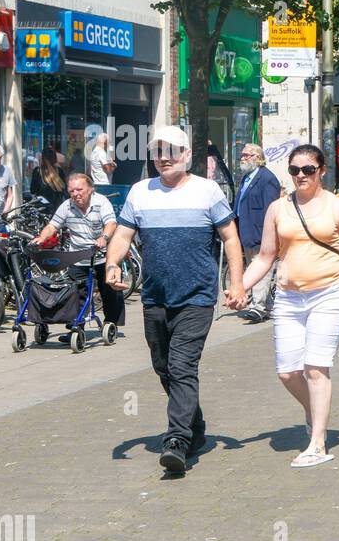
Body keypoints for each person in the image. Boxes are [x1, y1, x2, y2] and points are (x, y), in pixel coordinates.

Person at [105, 125, 247, 475]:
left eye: (172, 151)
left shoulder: (207, 190)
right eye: (158, 152)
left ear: (187, 155)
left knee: (182, 367)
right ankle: (195, 426)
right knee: (164, 367)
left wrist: (237, 283)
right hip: (155, 296)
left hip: (197, 297)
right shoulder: (140, 192)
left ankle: (177, 441)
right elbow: (123, 234)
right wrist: (112, 263)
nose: (164, 157)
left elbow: (230, 238)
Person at [236, 144, 339, 468]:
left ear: (321, 171)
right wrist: (240, 286)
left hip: (329, 293)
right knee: (288, 372)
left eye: (307, 170)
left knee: (315, 367)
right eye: (294, 170)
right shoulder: (278, 209)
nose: (300, 176)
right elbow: (265, 256)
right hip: (289, 297)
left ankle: (317, 442)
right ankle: (312, 410)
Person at [33, 173, 125, 334]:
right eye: (72, 191)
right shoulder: (67, 205)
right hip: (77, 255)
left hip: (102, 254)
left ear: (91, 189)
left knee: (110, 290)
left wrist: (104, 237)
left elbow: (111, 223)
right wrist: (41, 238)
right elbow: (52, 226)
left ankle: (111, 323)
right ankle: (76, 327)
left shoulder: (101, 202)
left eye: (79, 190)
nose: (75, 194)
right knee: (75, 293)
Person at [234, 143, 283, 322]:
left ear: (257, 157)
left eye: (247, 155)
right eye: (242, 155)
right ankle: (268, 306)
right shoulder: (246, 178)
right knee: (254, 267)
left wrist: (270, 233)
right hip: (246, 232)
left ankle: (258, 307)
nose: (243, 158)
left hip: (260, 232)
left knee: (261, 268)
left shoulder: (266, 178)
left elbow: (271, 208)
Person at [29, 146, 67, 215]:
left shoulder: (38, 171)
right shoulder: (59, 171)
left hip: (42, 209)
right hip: (57, 209)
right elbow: (65, 190)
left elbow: (32, 190)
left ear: (42, 158)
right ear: (55, 159)